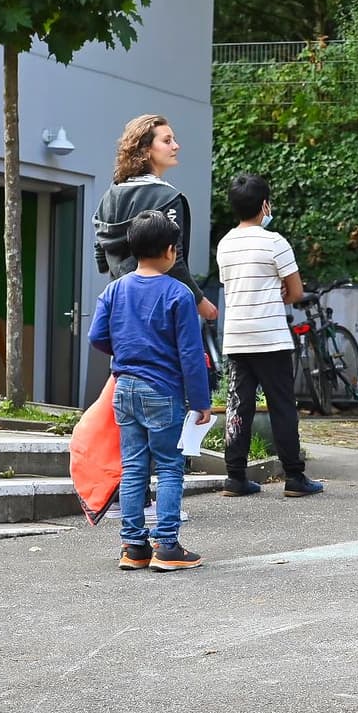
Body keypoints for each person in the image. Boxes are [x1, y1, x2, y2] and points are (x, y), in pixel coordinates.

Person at [87, 211, 212, 571]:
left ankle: (133, 547)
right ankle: (168, 546)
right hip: (163, 390)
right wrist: (201, 401)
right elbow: (190, 353)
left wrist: (126, 354)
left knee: (133, 468)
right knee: (170, 467)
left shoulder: (115, 289)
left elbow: (98, 337)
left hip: (124, 388)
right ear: (170, 251)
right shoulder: (179, 293)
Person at [214, 172, 325, 498]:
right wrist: (278, 292)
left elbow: (232, 285)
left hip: (236, 336)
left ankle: (235, 476)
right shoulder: (275, 242)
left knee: (239, 404)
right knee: (281, 405)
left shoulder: (224, 244)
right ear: (265, 205)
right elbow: (295, 291)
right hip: (271, 336)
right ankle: (294, 477)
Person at [94, 114, 217, 324]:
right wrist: (200, 301)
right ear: (145, 149)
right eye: (167, 141)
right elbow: (174, 262)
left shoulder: (109, 196)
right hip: (159, 310)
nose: (176, 146)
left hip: (120, 308)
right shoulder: (167, 198)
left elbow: (101, 257)